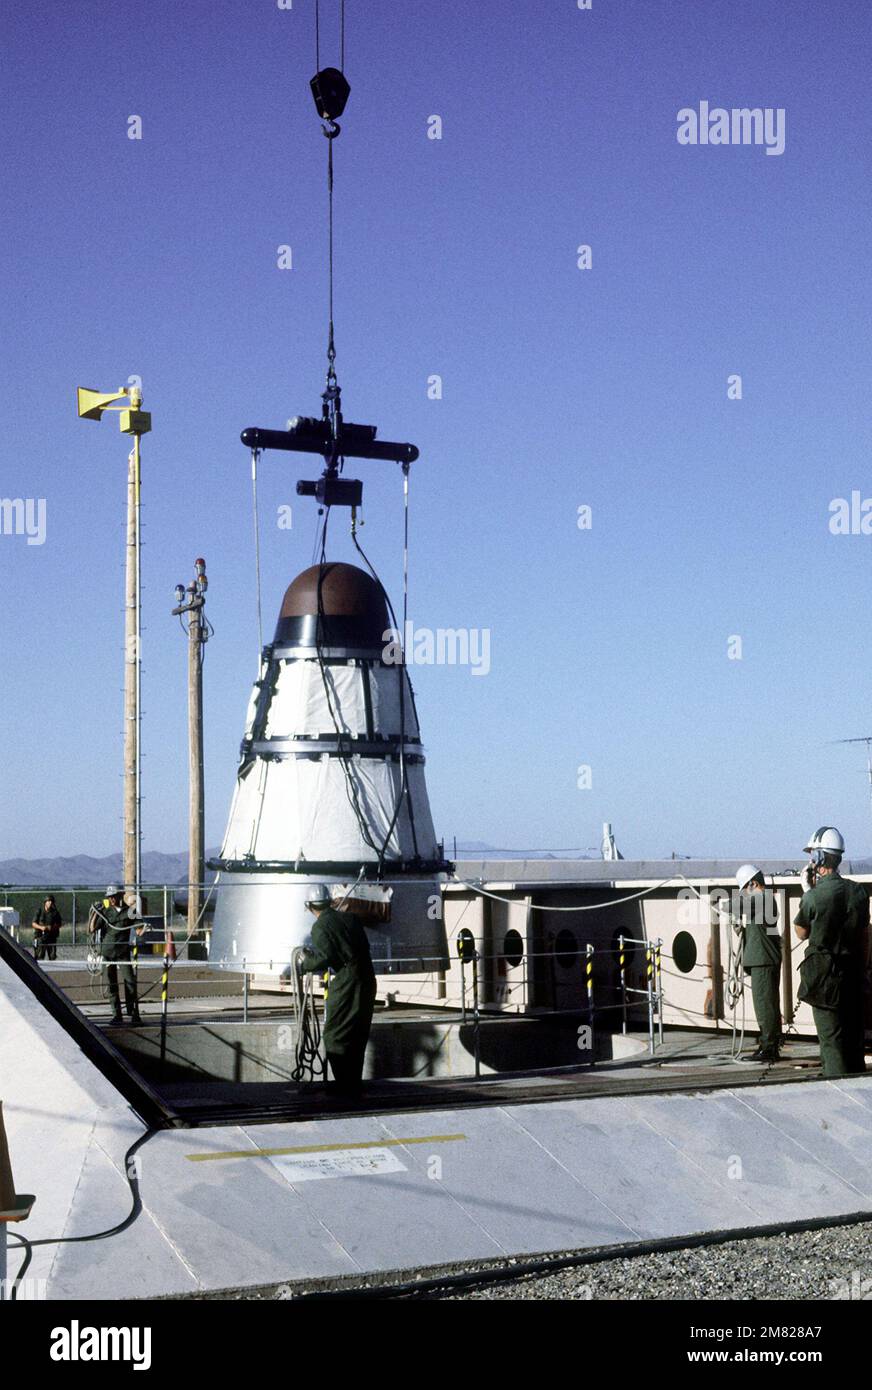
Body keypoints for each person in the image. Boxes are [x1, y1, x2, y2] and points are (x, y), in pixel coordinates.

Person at [794, 827, 869, 1078]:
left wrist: (807, 892)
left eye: (812, 855)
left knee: (831, 1039)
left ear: (819, 859)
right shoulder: (859, 892)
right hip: (853, 972)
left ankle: (835, 1086)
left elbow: (801, 933)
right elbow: (864, 932)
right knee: (853, 1038)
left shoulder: (814, 897)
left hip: (825, 978)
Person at [297, 884, 377, 1096]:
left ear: (309, 906)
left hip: (347, 980)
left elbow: (326, 958)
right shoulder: (350, 918)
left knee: (335, 1035)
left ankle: (344, 1086)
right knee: (358, 1033)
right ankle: (353, 1083)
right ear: (329, 900)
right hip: (368, 978)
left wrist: (305, 961)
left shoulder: (320, 927)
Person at [733, 864, 782, 1062]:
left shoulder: (763, 898)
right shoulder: (762, 902)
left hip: (764, 961)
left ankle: (769, 1047)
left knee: (765, 1006)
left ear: (753, 884)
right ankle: (769, 1043)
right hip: (762, 959)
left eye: (745, 889)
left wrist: (722, 905)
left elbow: (734, 906)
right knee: (766, 1004)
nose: (744, 894)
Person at [88, 885, 143, 1026]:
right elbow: (92, 929)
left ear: (120, 896)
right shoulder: (106, 913)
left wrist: (144, 928)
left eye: (114, 896)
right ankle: (116, 1015)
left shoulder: (131, 912)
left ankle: (134, 1013)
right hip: (107, 953)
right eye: (109, 897)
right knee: (111, 984)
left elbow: (139, 930)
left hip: (122, 953)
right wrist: (95, 912)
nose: (111, 899)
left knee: (130, 982)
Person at [32, 894, 62, 962]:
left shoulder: (55, 912)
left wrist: (52, 927)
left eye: (51, 901)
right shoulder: (39, 911)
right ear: (45, 902)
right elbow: (33, 923)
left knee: (52, 956)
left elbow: (59, 924)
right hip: (40, 936)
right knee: (39, 956)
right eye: (48, 901)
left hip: (51, 937)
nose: (50, 903)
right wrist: (41, 927)